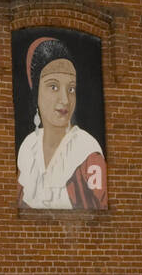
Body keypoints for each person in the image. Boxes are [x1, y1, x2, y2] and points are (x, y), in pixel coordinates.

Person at [16, 36, 105, 209]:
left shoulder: (88, 152)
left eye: (71, 89)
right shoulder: (28, 147)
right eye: (53, 87)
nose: (65, 100)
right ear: (36, 93)